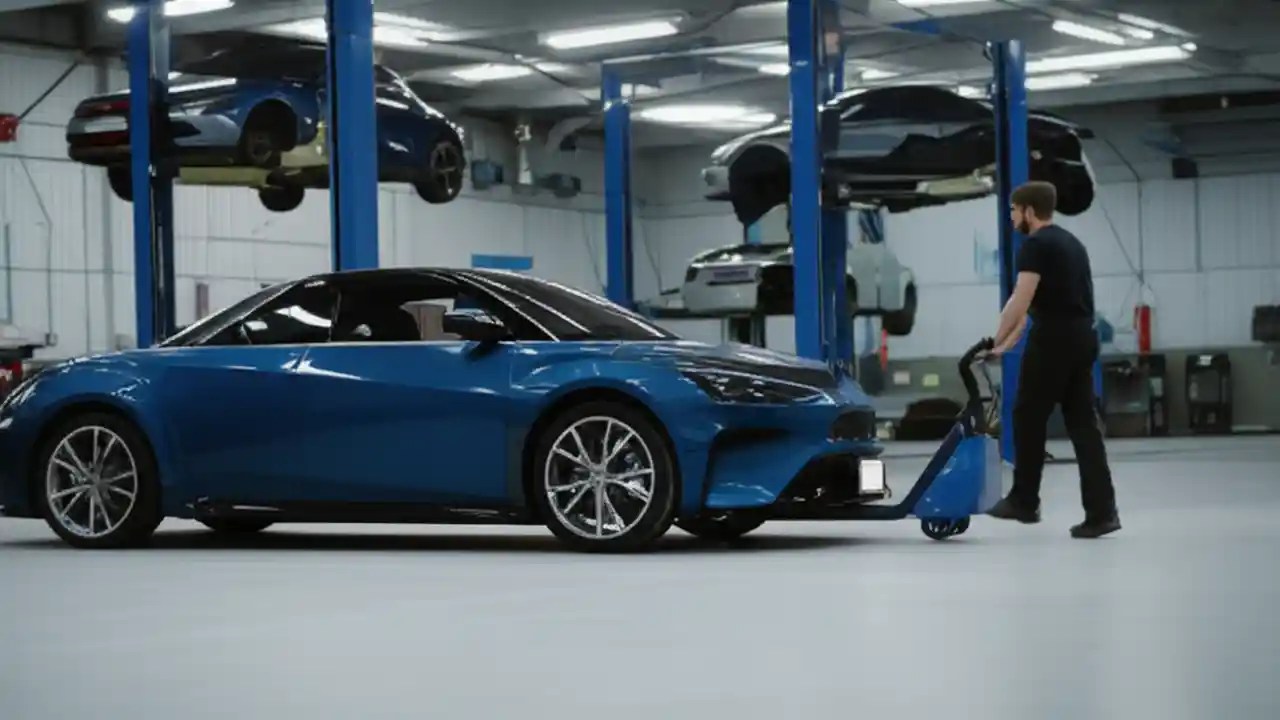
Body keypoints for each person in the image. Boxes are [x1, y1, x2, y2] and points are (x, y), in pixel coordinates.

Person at [983, 181, 1121, 538]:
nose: (1011, 216)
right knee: (1083, 426)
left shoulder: (1036, 246)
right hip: (1081, 337)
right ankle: (1103, 512)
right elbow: (1033, 312)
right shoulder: (1071, 243)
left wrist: (994, 338)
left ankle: (1024, 501)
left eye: (1014, 209)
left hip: (1055, 340)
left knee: (1028, 415)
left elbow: (1021, 301)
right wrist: (1004, 346)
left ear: (1029, 211)